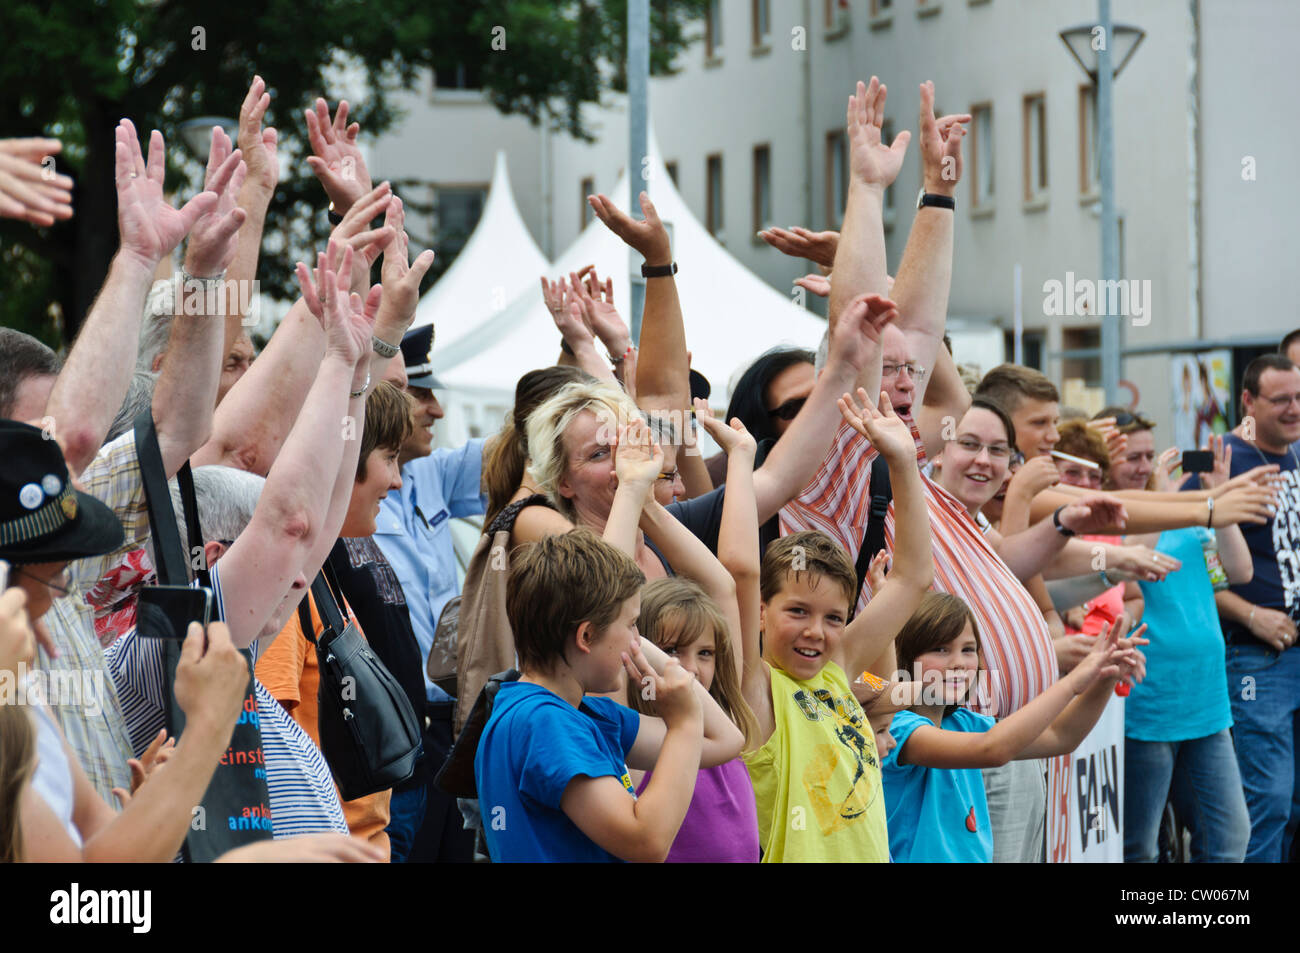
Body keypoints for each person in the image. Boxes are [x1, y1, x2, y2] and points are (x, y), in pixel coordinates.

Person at [475, 529, 744, 862]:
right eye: (632, 624)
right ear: (586, 635)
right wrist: (684, 722)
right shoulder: (545, 722)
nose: (638, 639)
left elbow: (726, 740)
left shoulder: (586, 715)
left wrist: (636, 645)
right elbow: (646, 842)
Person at [744, 389, 933, 862]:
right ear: (760, 611)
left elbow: (913, 578)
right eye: (797, 612)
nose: (816, 631)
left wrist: (904, 463)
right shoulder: (756, 686)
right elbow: (737, 569)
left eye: (833, 618)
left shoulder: (840, 668)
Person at [255, 381, 419, 859]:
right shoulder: (286, 593)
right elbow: (269, 754)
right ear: (342, 462)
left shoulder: (318, 573)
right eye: (389, 458)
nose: (397, 481)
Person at [882, 593, 1137, 862]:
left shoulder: (962, 723)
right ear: (907, 657)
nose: (958, 662)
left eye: (968, 649)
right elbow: (992, 749)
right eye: (940, 649)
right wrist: (1072, 682)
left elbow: (1061, 736)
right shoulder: (897, 728)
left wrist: (1107, 676)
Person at [624, 404, 766, 863]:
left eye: (705, 653)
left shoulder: (727, 714)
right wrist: (632, 496)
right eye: (669, 651)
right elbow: (606, 600)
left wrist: (741, 459)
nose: (689, 668)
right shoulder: (630, 734)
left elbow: (731, 581)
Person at [1185, 354, 1300, 861]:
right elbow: (1185, 560)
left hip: (1291, 652)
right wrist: (1249, 613)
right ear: (1248, 402)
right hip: (1253, 659)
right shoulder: (1209, 459)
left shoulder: (1293, 453)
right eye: (1281, 401)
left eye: (1299, 398)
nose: (1294, 409)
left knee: (1290, 801)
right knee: (1267, 801)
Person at [1119, 435, 1255, 862]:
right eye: (1134, 458)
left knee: (1230, 838)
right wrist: (1162, 499)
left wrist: (1221, 497)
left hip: (1206, 702)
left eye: (1150, 456)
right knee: (1139, 845)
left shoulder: (1192, 519)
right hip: (1149, 702)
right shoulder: (1109, 520)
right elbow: (1124, 565)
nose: (1145, 465)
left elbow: (1237, 572)